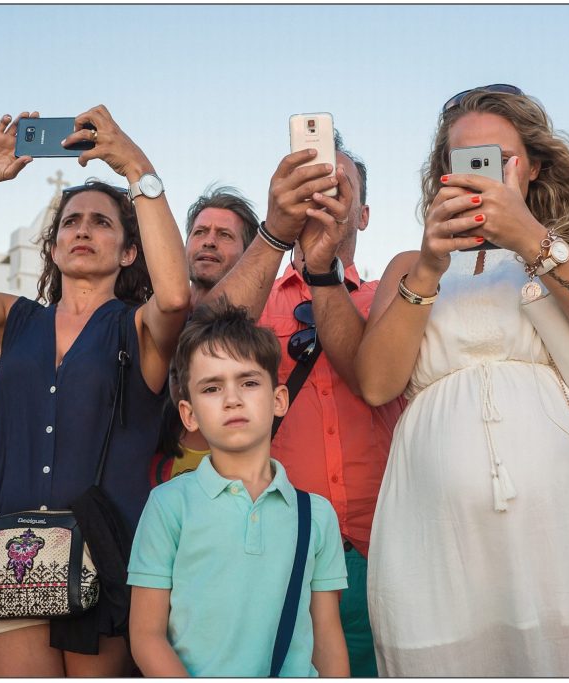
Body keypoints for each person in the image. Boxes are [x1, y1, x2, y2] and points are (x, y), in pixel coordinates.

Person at [354, 84, 569, 676]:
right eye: (466, 159)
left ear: (534, 167)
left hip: (559, 521)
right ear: (443, 173)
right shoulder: (410, 265)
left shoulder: (568, 253)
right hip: (436, 529)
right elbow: (376, 383)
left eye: (500, 158)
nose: (484, 173)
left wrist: (531, 240)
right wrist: (429, 266)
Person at [0, 106, 191, 676]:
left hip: (107, 558)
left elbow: (176, 297)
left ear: (129, 251)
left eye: (101, 222)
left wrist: (135, 166)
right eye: (71, 222)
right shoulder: (15, 321)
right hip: (9, 554)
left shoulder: (138, 329)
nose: (83, 229)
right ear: (52, 247)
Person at [204, 135, 403, 676]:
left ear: (364, 216)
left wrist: (323, 271)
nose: (321, 196)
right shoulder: (258, 298)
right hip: (275, 548)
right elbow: (204, 343)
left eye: (337, 186)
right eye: (309, 184)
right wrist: (274, 231)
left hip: (383, 549)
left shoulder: (390, 297)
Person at [128, 299, 349, 676]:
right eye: (212, 388)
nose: (232, 399)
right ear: (189, 414)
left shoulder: (316, 515)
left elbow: (326, 636)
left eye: (248, 382)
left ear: (278, 400)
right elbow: (146, 636)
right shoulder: (168, 505)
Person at [149, 187, 262, 487]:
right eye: (200, 232)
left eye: (225, 235)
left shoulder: (261, 334)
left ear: (249, 255)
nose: (209, 241)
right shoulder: (151, 317)